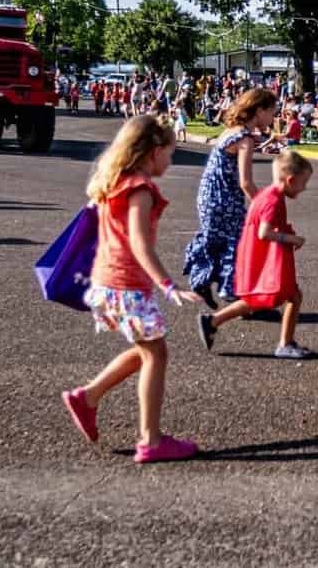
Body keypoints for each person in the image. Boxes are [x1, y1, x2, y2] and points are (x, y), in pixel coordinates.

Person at [60, 114, 204, 464]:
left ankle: (88, 396)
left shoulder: (113, 181)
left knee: (147, 349)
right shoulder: (140, 188)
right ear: (153, 151)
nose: (172, 160)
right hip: (127, 285)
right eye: (170, 153)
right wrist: (168, 286)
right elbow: (140, 244)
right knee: (156, 354)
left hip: (107, 281)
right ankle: (151, 441)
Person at [196, 149, 313, 359]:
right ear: (290, 180)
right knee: (270, 297)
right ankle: (284, 344)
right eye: (303, 183)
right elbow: (264, 233)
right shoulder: (274, 200)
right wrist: (292, 239)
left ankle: (214, 321)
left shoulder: (268, 194)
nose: (305, 188)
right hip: (266, 257)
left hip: (260, 255)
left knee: (283, 296)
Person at [182, 88, 279, 307]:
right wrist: (264, 206)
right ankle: (235, 297)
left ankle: (203, 280)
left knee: (217, 240)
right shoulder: (244, 138)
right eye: (272, 112)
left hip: (209, 195)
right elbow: (246, 182)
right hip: (223, 198)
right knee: (240, 243)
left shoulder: (231, 131)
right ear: (259, 110)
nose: (273, 118)